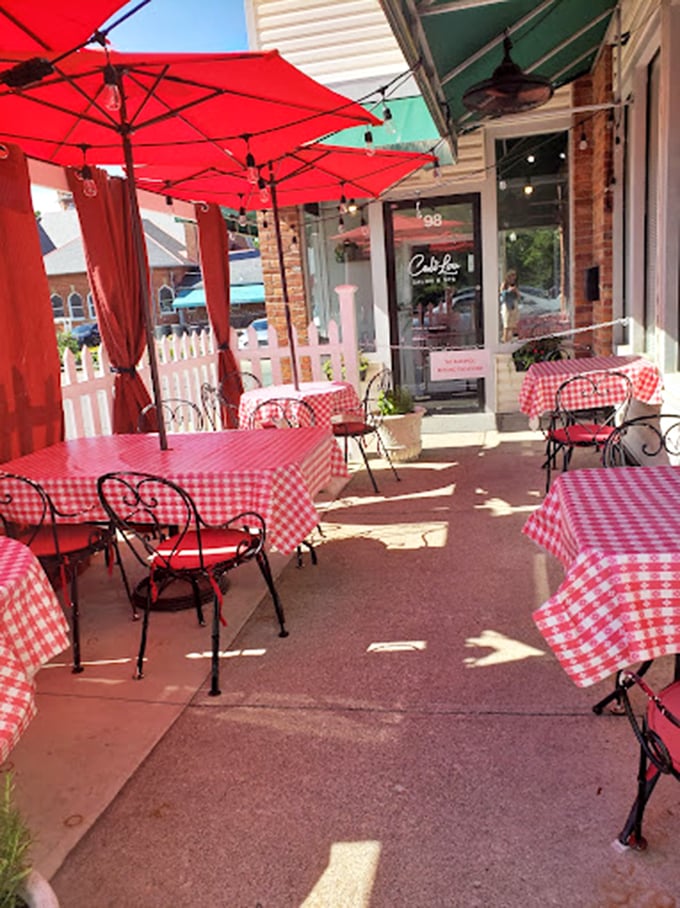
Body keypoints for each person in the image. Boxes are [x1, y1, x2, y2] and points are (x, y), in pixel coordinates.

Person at [500, 269, 521, 342]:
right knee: (506, 323)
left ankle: (511, 339)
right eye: (512, 277)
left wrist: (516, 291)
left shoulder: (515, 285)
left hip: (513, 305)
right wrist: (508, 290)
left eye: (514, 277)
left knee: (513, 323)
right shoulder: (504, 284)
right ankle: (505, 339)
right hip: (507, 305)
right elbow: (502, 295)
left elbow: (518, 297)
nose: (513, 279)